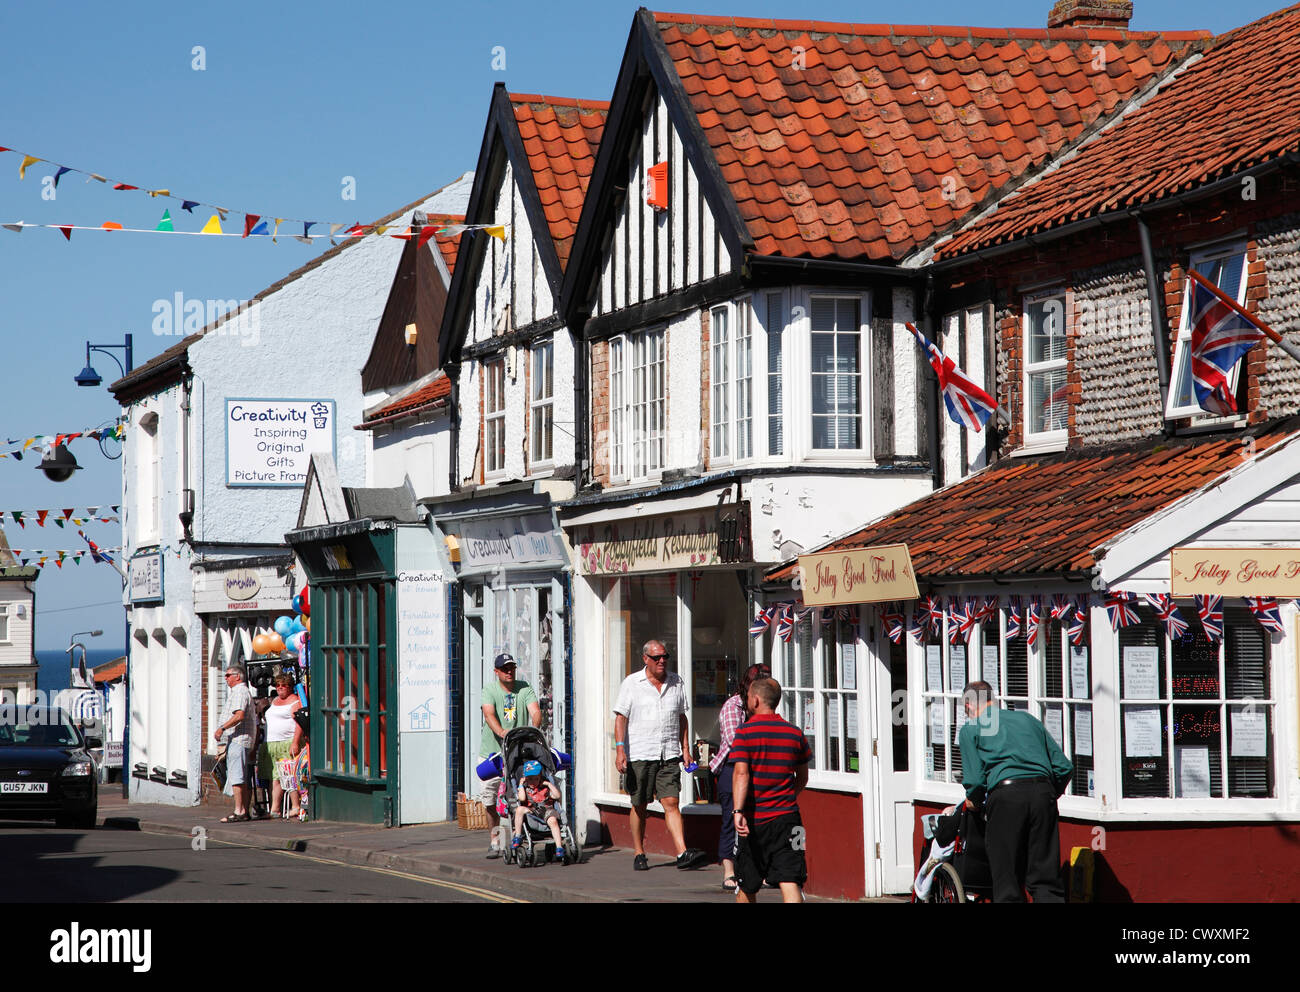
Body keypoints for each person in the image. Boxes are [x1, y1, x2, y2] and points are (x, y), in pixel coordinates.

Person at [958, 680, 1074, 903]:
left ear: (968, 704)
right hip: (1043, 794)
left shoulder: (970, 729)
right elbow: (1064, 767)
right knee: (1045, 878)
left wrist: (975, 800)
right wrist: (1048, 793)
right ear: (992, 699)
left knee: (1007, 878)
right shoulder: (1027, 719)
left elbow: (974, 780)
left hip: (1006, 797)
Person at [614, 639, 707, 871]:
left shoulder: (676, 682)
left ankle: (682, 852)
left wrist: (685, 749)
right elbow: (620, 718)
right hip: (641, 753)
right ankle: (639, 851)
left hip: (669, 753)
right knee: (640, 804)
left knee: (671, 801)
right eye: (657, 658)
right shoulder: (632, 683)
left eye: (665, 656)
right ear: (645, 659)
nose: (662, 661)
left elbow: (681, 717)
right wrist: (620, 749)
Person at [731, 677, 811, 903]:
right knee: (791, 879)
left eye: (748, 698)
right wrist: (786, 797)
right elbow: (803, 778)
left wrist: (737, 811)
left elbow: (741, 774)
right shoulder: (795, 733)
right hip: (789, 820)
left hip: (755, 820)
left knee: (747, 882)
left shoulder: (744, 733)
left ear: (755, 700)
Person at [710, 662, 770, 892]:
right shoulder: (733, 706)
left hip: (756, 767)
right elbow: (737, 742)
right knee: (730, 818)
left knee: (758, 819)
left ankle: (761, 869)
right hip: (731, 767)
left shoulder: (765, 708)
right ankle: (729, 871)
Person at [480, 653, 541, 859]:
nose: (509, 672)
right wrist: (501, 732)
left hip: (518, 750)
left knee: (519, 794)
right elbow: (489, 714)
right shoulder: (489, 690)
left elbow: (535, 711)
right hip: (493, 751)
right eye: (505, 669)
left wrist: (535, 726)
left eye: (512, 668)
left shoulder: (524, 688)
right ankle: (495, 839)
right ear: (496, 672)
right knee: (490, 798)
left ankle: (518, 837)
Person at [213, 665, 256, 822]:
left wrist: (222, 729)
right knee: (240, 776)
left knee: (237, 776)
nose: (225, 678)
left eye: (228, 675)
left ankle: (239, 811)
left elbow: (239, 715)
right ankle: (243, 810)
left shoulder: (240, 691)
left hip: (239, 739)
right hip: (238, 740)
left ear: (238, 677)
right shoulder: (239, 692)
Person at [259, 673, 303, 820]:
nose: (280, 688)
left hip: (287, 743)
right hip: (272, 743)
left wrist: (295, 742)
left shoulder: (295, 701)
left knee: (289, 776)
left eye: (283, 686)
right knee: (275, 778)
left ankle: (296, 806)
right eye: (277, 685)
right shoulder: (275, 701)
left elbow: (299, 723)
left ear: (290, 687)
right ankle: (275, 809)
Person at [512, 759, 566, 864]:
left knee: (553, 821)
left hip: (546, 809)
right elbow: (522, 799)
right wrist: (521, 785)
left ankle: (559, 847)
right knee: (519, 809)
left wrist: (549, 784)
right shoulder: (525, 787)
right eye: (530, 779)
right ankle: (518, 835)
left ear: (540, 777)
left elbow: (557, 796)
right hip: (532, 810)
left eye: (536, 779)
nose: (532, 782)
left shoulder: (545, 788)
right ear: (525, 778)